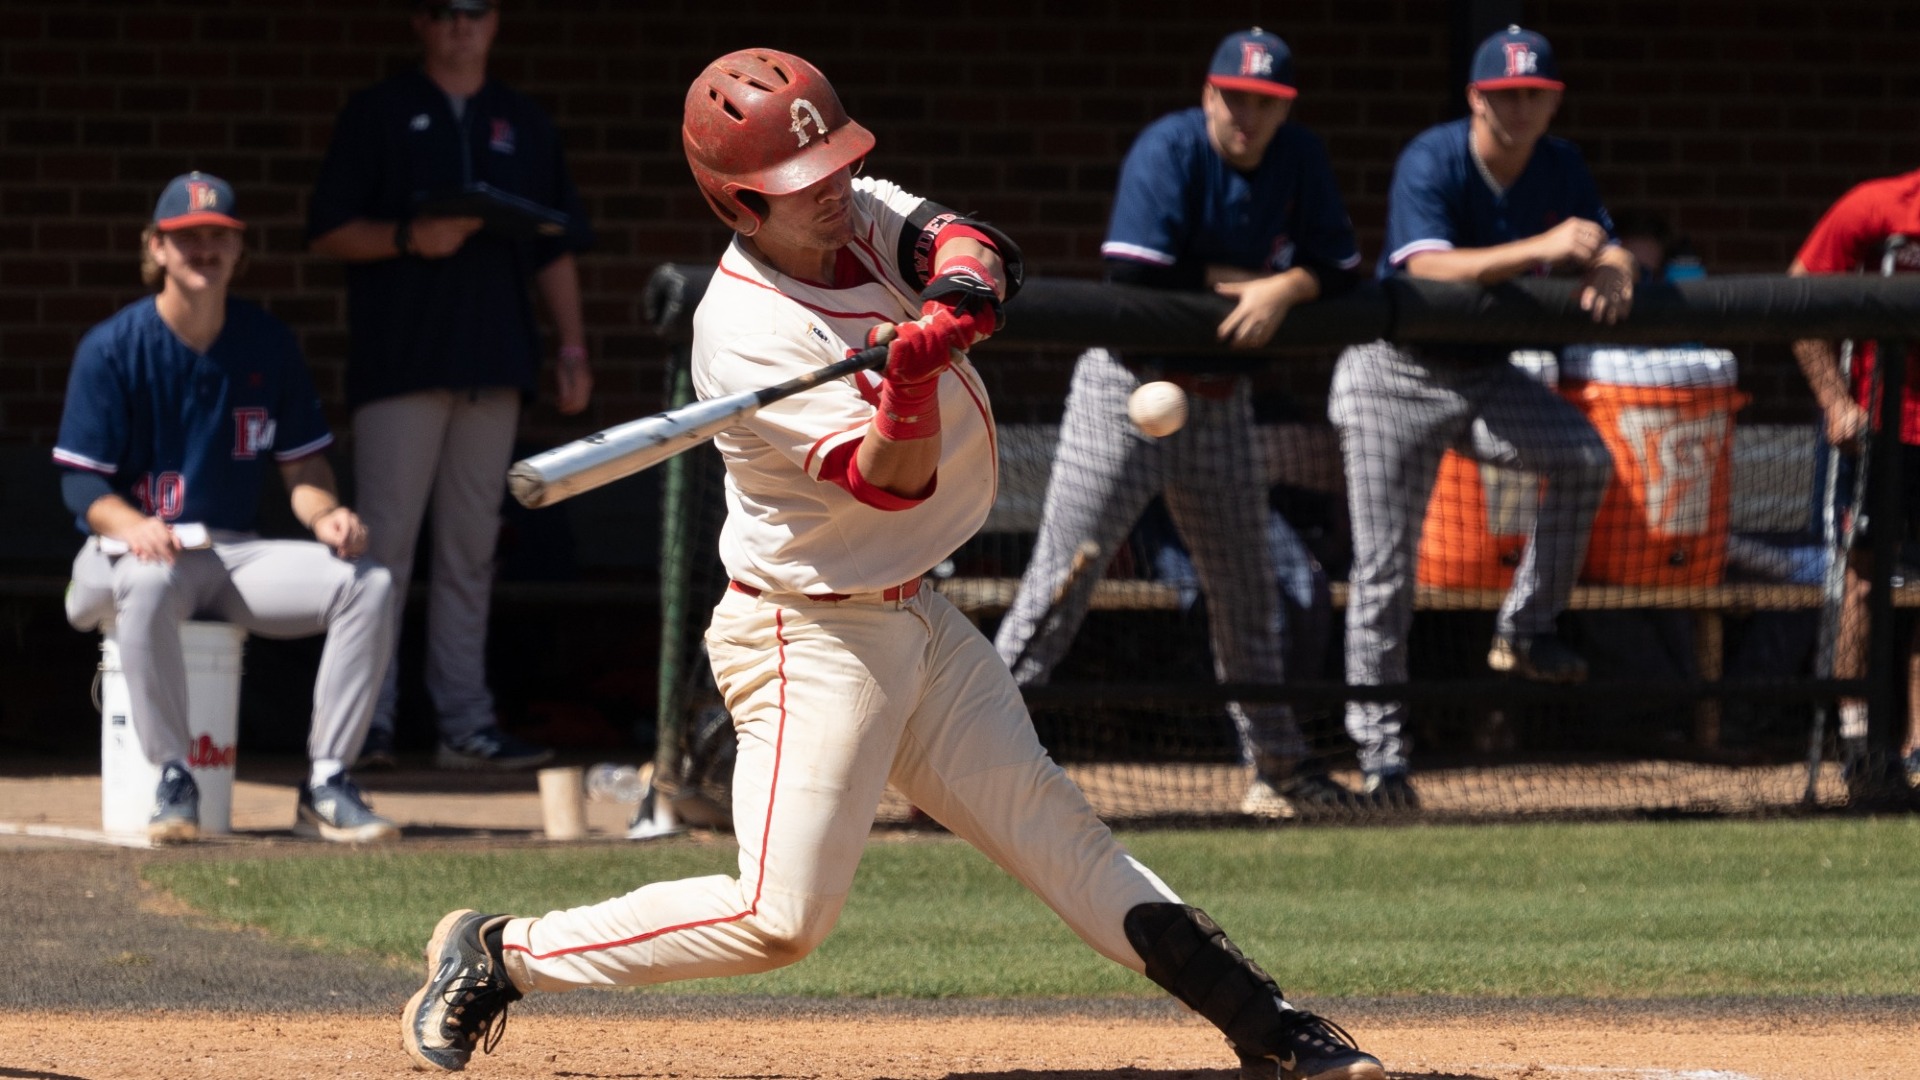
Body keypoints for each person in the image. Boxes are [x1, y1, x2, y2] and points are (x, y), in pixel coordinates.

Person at [400, 49, 1385, 1080]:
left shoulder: (853, 208)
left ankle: (1273, 1026)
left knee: (1064, 841)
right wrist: (909, 386)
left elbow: (975, 245)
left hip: (919, 619)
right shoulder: (745, 331)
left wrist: (960, 292)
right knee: (779, 917)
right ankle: (503, 952)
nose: (831, 189)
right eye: (798, 183)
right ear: (738, 203)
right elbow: (890, 483)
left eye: (834, 163)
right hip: (808, 632)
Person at [990, 28, 1366, 820]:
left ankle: (1277, 769)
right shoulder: (1170, 149)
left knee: (1248, 595)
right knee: (1062, 583)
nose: (1248, 116)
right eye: (1236, 99)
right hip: (1125, 390)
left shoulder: (1299, 158)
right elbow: (1135, 272)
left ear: (1285, 109)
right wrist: (1248, 281)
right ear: (1209, 94)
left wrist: (1283, 289)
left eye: (1266, 103)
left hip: (1220, 404)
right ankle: (970, 760)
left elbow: (1341, 267)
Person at [1328, 25, 1629, 809]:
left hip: (1487, 374)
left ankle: (1525, 630)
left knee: (1585, 460)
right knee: (1385, 575)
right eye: (1504, 94)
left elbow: (1608, 243)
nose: (1519, 107)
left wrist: (1614, 267)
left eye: (1534, 93)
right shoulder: (1434, 157)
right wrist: (1543, 247)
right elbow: (1427, 266)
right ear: (1476, 98)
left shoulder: (1560, 165)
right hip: (1393, 373)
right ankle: (1383, 763)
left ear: (1553, 101)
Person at [53, 172, 400, 844]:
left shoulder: (266, 342)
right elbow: (81, 487)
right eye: (187, 238)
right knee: (146, 579)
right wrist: (135, 525)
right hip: (125, 554)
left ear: (239, 249)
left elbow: (303, 466)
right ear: (156, 247)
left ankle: (328, 781)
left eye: (218, 236)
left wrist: (325, 514)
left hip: (226, 549)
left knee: (369, 583)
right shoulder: (114, 346)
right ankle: (172, 777)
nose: (204, 249)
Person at [307, 0, 592, 771]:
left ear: (495, 21)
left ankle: (465, 724)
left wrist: (571, 345)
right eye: (442, 11)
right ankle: (363, 723)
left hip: (495, 363)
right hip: (402, 363)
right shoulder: (380, 111)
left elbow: (554, 246)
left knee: (471, 551)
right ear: (419, 23)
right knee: (382, 549)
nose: (460, 25)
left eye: (474, 10)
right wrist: (409, 236)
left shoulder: (523, 121)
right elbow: (328, 228)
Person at [1788, 168, 1920, 792]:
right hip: (1879, 426)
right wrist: (1834, 399)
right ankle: (1860, 745)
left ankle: (1919, 747)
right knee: (1864, 581)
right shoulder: (1879, 205)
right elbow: (1800, 292)